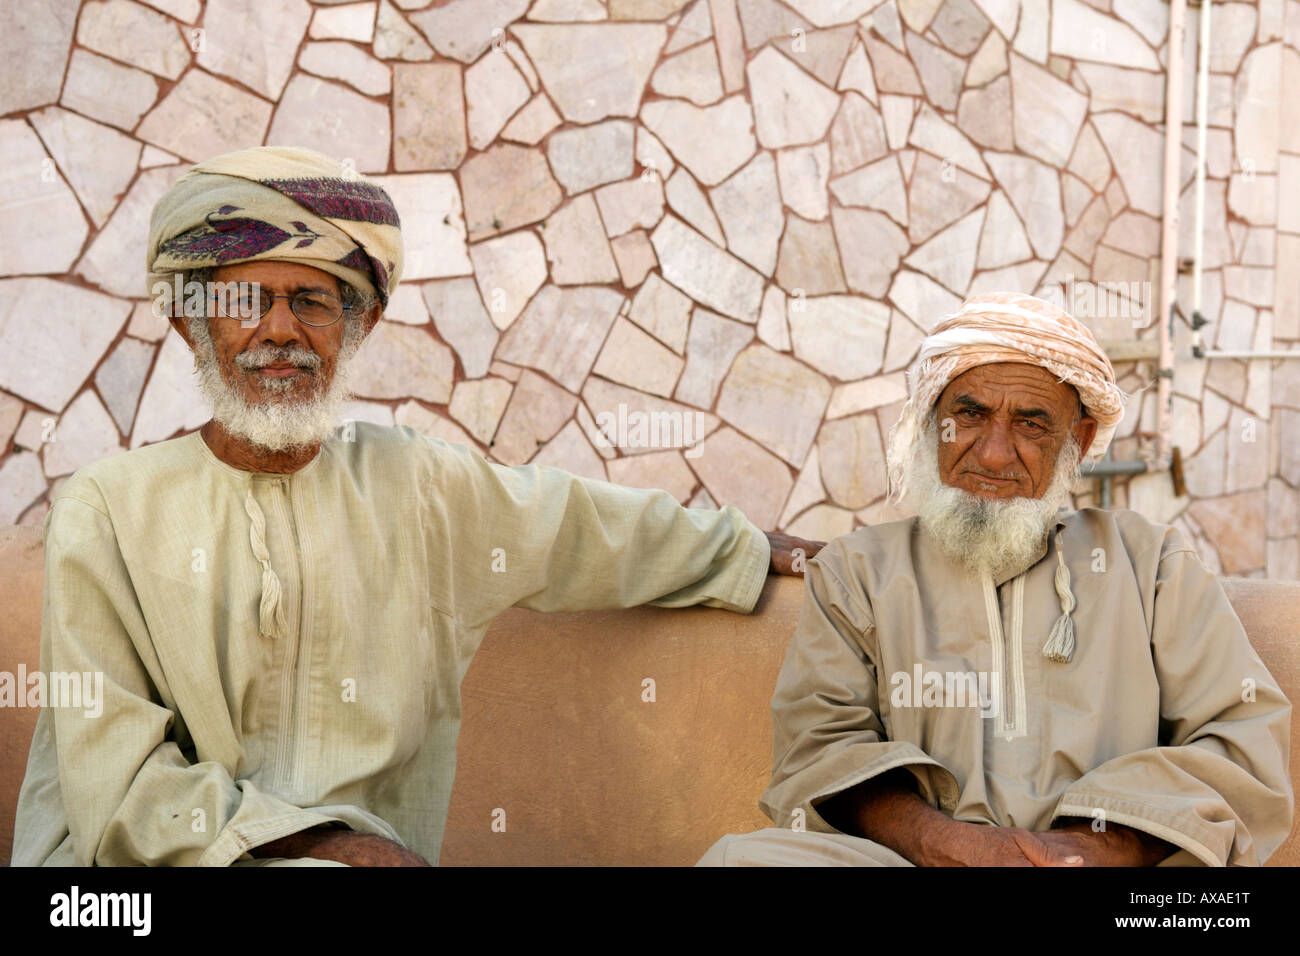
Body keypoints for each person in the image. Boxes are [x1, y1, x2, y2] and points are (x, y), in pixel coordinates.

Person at [12, 146, 816, 867]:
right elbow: (116, 781)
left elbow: (580, 527)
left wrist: (748, 549)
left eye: (315, 302)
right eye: (244, 300)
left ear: (357, 326)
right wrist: (334, 845)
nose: (279, 329)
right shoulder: (107, 512)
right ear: (192, 323)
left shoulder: (417, 487)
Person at [699, 291, 1293, 867]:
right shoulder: (857, 571)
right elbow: (820, 745)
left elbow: (1241, 734)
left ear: (1078, 441)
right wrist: (946, 847)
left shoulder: (1151, 562)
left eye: (1032, 423)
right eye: (971, 415)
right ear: (935, 422)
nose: (993, 453)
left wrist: (1093, 851)